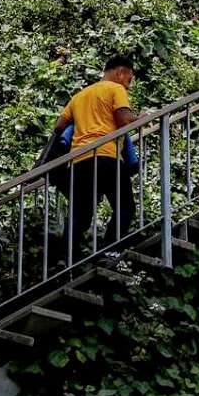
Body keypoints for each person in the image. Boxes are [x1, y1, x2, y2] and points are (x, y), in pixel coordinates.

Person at [55, 54, 140, 259]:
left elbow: (59, 126)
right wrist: (141, 118)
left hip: (79, 160)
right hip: (106, 156)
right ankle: (109, 249)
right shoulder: (115, 89)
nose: (128, 85)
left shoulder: (79, 96)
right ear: (120, 73)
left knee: (81, 214)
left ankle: (66, 260)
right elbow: (124, 119)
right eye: (129, 79)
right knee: (125, 207)